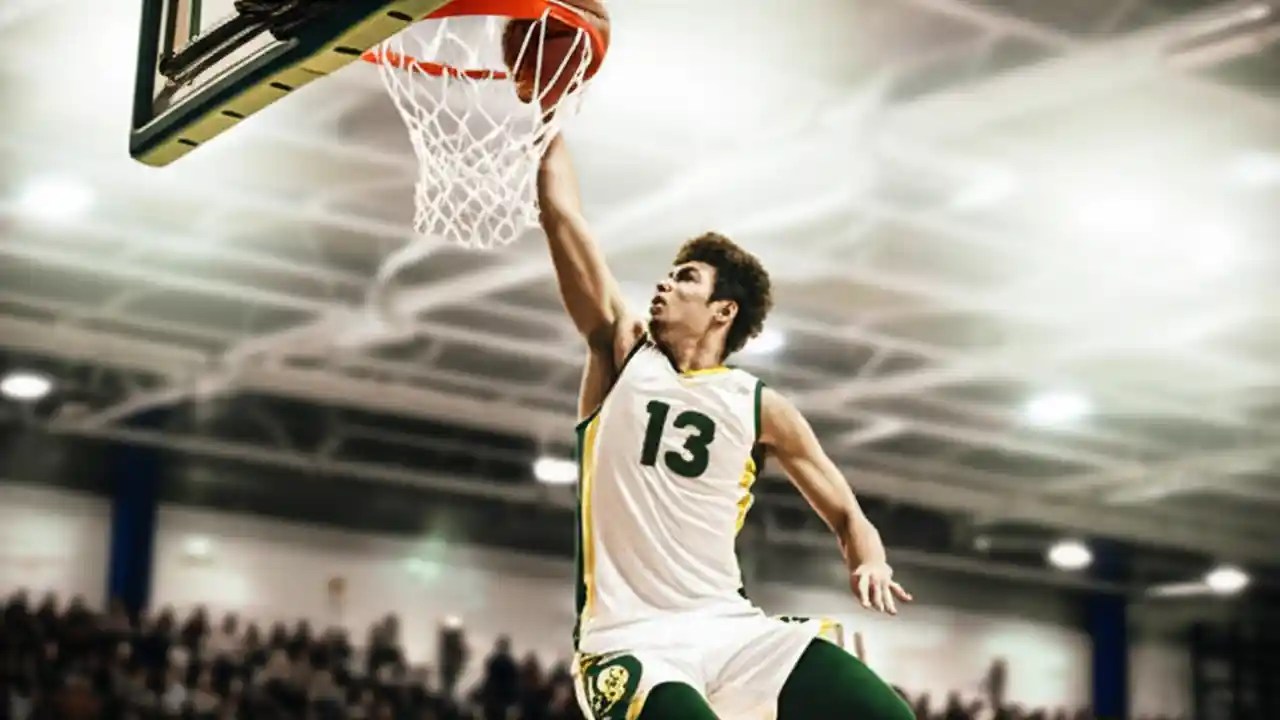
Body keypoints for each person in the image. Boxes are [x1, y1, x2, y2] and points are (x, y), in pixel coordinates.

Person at [535, 133, 916, 720]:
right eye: (668, 274)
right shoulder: (623, 354)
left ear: (723, 310)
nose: (664, 283)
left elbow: (847, 514)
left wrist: (871, 560)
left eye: (685, 277)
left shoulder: (759, 405)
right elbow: (564, 219)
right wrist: (548, 119)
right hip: (630, 637)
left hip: (728, 630)